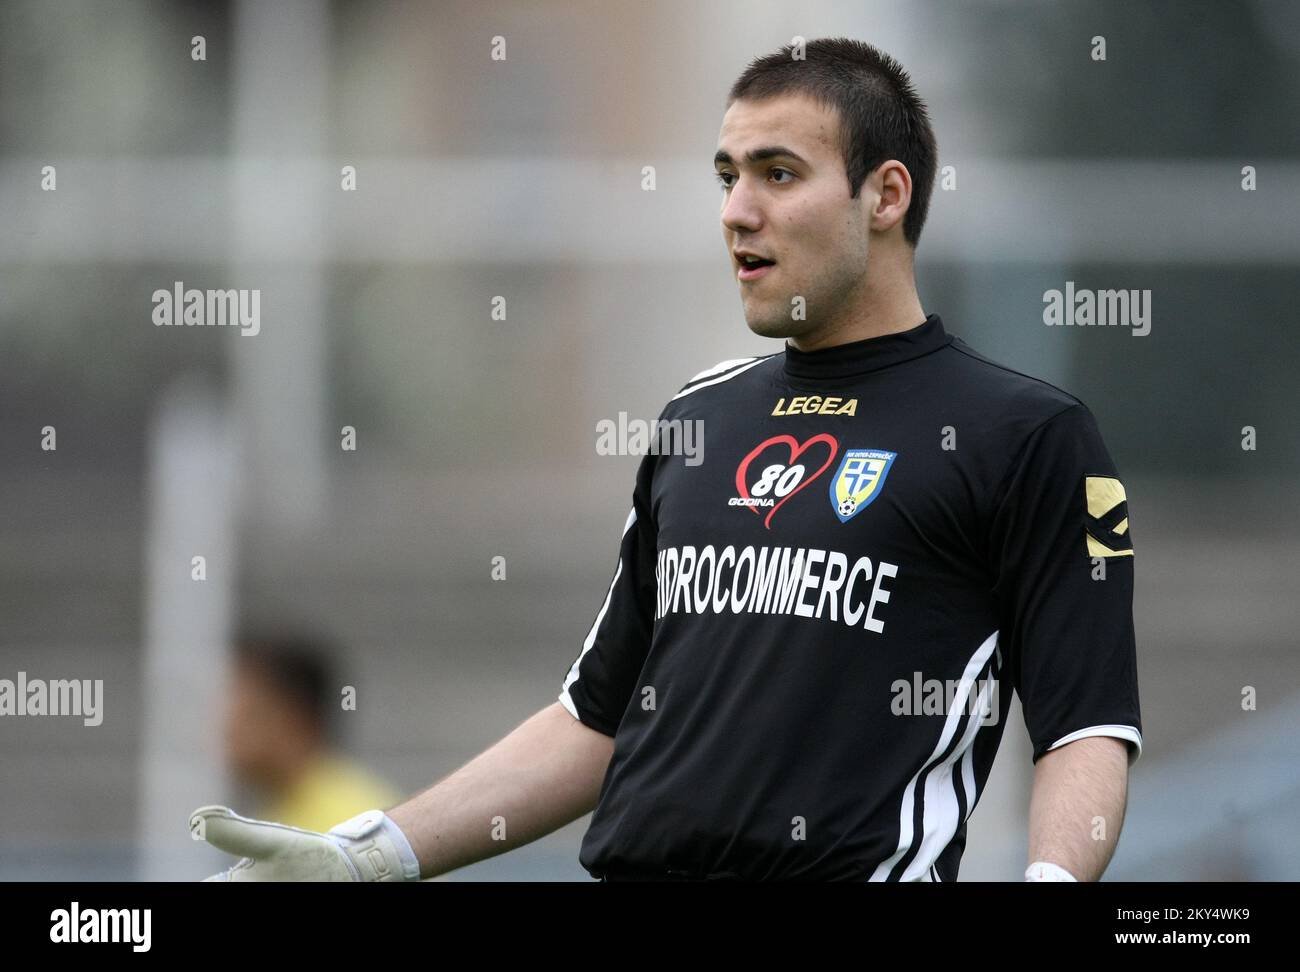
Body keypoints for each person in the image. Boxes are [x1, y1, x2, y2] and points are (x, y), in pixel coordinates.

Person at [192, 37, 1141, 883]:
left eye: (777, 174)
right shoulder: (702, 416)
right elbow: (593, 719)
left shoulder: (1023, 433)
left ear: (885, 194)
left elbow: (1086, 726)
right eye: (726, 175)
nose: (736, 211)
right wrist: (370, 857)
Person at [221, 632, 400, 834]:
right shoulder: (282, 805)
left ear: (292, 717)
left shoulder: (349, 821)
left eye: (249, 713)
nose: (226, 726)